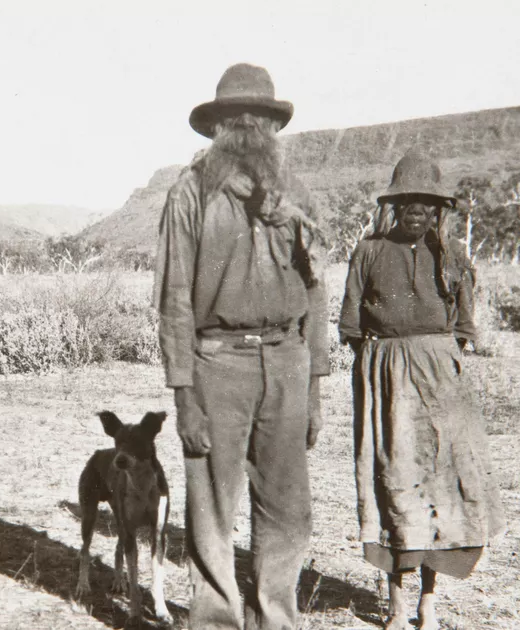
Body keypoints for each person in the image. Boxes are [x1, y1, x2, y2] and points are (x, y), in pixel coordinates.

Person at [152, 62, 332, 630]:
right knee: (212, 507)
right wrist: (184, 397)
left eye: (260, 116)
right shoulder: (189, 194)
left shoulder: (296, 195)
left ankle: (276, 619)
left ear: (273, 126)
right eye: (237, 116)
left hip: (286, 360)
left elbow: (316, 291)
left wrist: (315, 389)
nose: (249, 125)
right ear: (218, 126)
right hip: (216, 363)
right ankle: (215, 622)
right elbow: (174, 298)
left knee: (288, 508)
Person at [337, 148, 506, 630]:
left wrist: (438, 362)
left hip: (441, 380)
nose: (417, 211)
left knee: (442, 482)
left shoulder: (452, 255)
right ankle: (395, 604)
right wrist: (385, 366)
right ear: (393, 206)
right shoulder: (369, 251)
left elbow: (465, 325)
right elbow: (352, 321)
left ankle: (428, 604)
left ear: (438, 210)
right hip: (385, 375)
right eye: (408, 202)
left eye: (426, 203)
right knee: (394, 478)